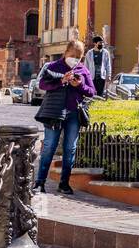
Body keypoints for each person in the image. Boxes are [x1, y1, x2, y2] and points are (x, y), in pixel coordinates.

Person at [35, 40, 97, 195]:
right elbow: (42, 84)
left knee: (70, 148)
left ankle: (64, 183)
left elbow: (92, 92)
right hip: (54, 112)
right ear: (65, 53)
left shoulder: (83, 70)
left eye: (78, 56)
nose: (75, 59)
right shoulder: (53, 66)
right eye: (72, 55)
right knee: (49, 146)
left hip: (74, 113)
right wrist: (61, 81)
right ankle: (40, 182)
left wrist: (80, 85)